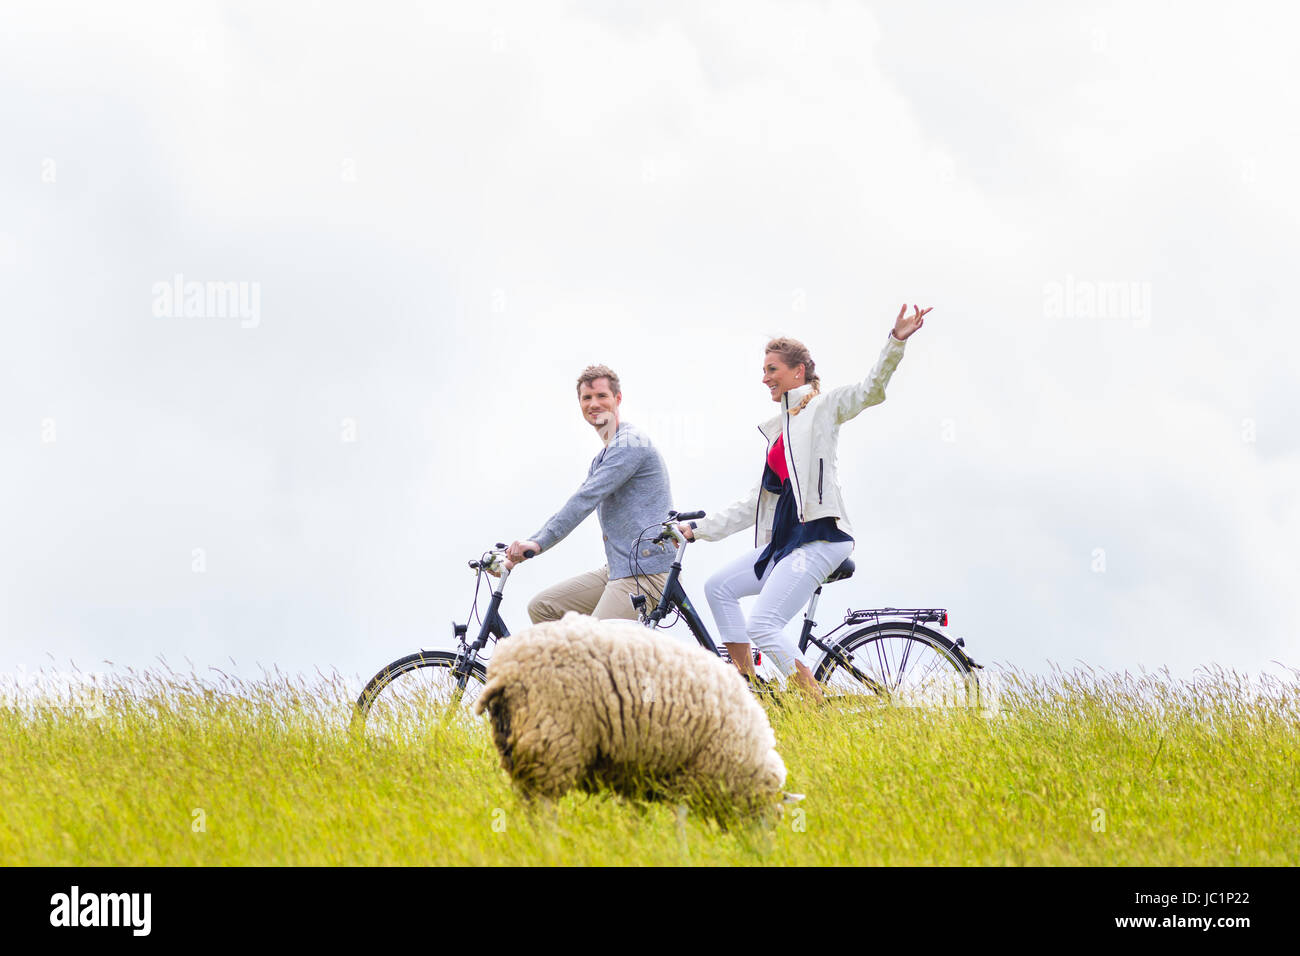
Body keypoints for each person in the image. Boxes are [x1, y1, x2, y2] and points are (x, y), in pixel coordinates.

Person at [679, 304, 931, 702]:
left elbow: (871, 391)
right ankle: (751, 693)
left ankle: (816, 708)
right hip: (786, 543)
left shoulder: (822, 408)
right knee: (718, 587)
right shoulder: (779, 430)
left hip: (821, 536)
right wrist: (698, 529)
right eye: (763, 370)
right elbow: (755, 502)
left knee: (763, 624)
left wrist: (895, 342)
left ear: (798, 371)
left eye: (772, 369)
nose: (764, 378)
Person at [505, 364, 674, 624]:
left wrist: (538, 543)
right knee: (543, 607)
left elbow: (584, 499)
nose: (594, 403)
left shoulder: (630, 443)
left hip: (646, 573)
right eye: (587, 398)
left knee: (592, 643)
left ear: (618, 399)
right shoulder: (603, 456)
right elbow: (582, 495)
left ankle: (596, 664)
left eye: (601, 396)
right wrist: (522, 549)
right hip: (619, 569)